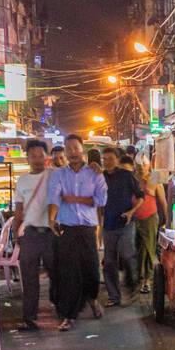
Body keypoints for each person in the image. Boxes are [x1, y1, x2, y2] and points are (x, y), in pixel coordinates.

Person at [48, 138, 107, 330]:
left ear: (82, 149)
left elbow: (100, 199)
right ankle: (69, 315)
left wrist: (74, 199)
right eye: (68, 148)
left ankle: (92, 299)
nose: (72, 151)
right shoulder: (59, 175)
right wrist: (51, 219)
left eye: (75, 147)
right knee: (69, 273)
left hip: (88, 229)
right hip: (68, 228)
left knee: (91, 268)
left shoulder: (94, 173)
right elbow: (55, 197)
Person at [12, 139, 56, 331]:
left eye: (41, 155)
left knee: (57, 274)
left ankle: (63, 311)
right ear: (27, 157)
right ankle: (29, 318)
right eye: (33, 156)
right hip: (30, 234)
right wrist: (16, 234)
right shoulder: (22, 181)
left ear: (46, 157)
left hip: (51, 234)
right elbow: (18, 210)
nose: (37, 159)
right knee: (29, 279)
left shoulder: (54, 175)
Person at [101, 155, 144, 307]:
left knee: (127, 255)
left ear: (116, 160)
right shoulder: (101, 177)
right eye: (105, 159)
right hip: (108, 225)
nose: (108, 162)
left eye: (111, 158)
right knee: (109, 262)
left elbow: (140, 198)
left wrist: (131, 212)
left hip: (126, 224)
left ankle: (133, 287)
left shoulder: (127, 176)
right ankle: (114, 296)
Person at [132, 161, 165, 294]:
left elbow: (163, 202)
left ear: (148, 165)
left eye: (143, 164)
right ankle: (138, 277)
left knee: (149, 249)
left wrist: (168, 222)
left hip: (150, 218)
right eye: (138, 164)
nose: (141, 167)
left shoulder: (154, 177)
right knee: (137, 249)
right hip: (134, 218)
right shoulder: (133, 177)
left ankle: (147, 280)